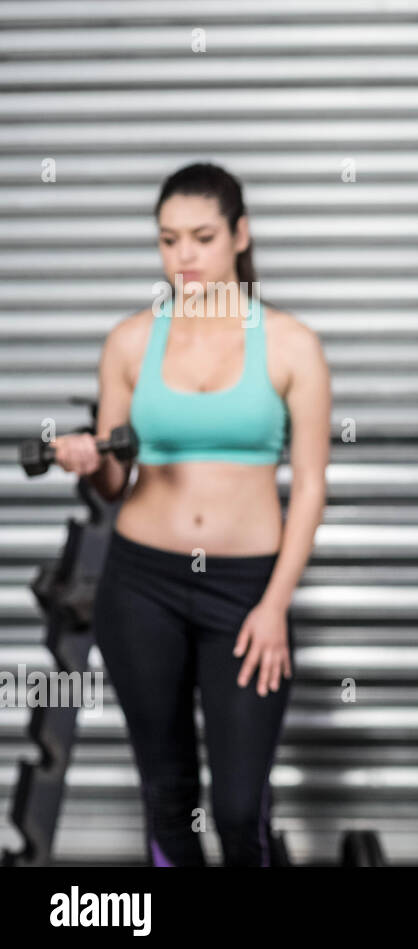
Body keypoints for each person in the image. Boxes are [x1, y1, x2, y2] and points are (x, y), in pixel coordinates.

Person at [51, 162, 331, 865]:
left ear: (240, 234)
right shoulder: (129, 342)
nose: (184, 256)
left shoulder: (293, 345)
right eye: (168, 239)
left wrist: (274, 606)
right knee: (169, 795)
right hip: (140, 585)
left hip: (246, 592)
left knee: (239, 808)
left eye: (201, 236)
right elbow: (116, 482)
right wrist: (91, 461)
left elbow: (312, 486)